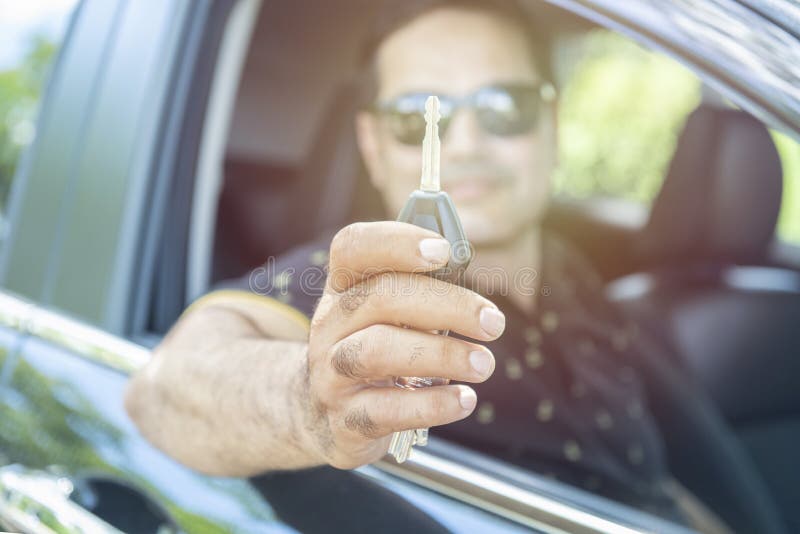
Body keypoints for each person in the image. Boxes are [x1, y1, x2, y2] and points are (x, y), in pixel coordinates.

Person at [126, 1, 733, 530]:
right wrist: (308, 397)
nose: (465, 143)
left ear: (551, 125)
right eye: (417, 116)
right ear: (372, 145)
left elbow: (647, 478)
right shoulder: (350, 287)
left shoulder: (572, 271)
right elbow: (164, 389)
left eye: (504, 106)